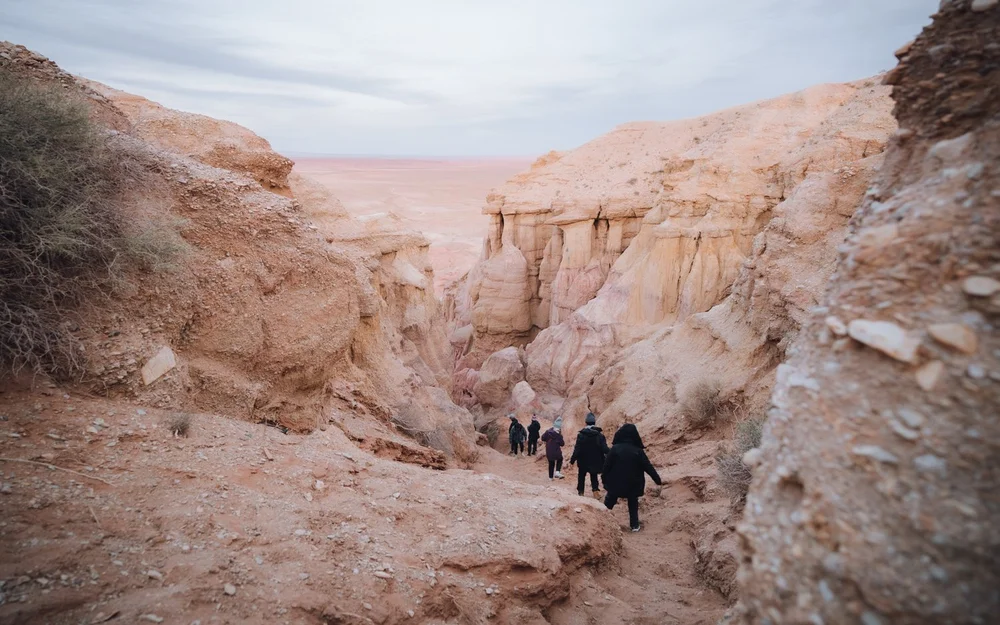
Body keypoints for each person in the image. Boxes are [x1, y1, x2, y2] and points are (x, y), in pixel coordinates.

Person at [602, 423, 662, 532]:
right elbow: (648, 467)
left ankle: (601, 519)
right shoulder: (638, 451)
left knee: (609, 501)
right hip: (633, 484)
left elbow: (606, 466)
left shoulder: (615, 449)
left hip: (615, 483)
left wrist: (604, 479)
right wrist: (657, 480)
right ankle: (634, 525)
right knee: (633, 504)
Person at [569, 412, 608, 496]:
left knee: (581, 475)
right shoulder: (600, 436)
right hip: (595, 460)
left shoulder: (581, 435)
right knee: (593, 475)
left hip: (583, 460)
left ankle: (581, 492)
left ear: (586, 422)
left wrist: (572, 459)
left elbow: (577, 449)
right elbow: (604, 449)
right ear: (594, 423)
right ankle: (595, 492)